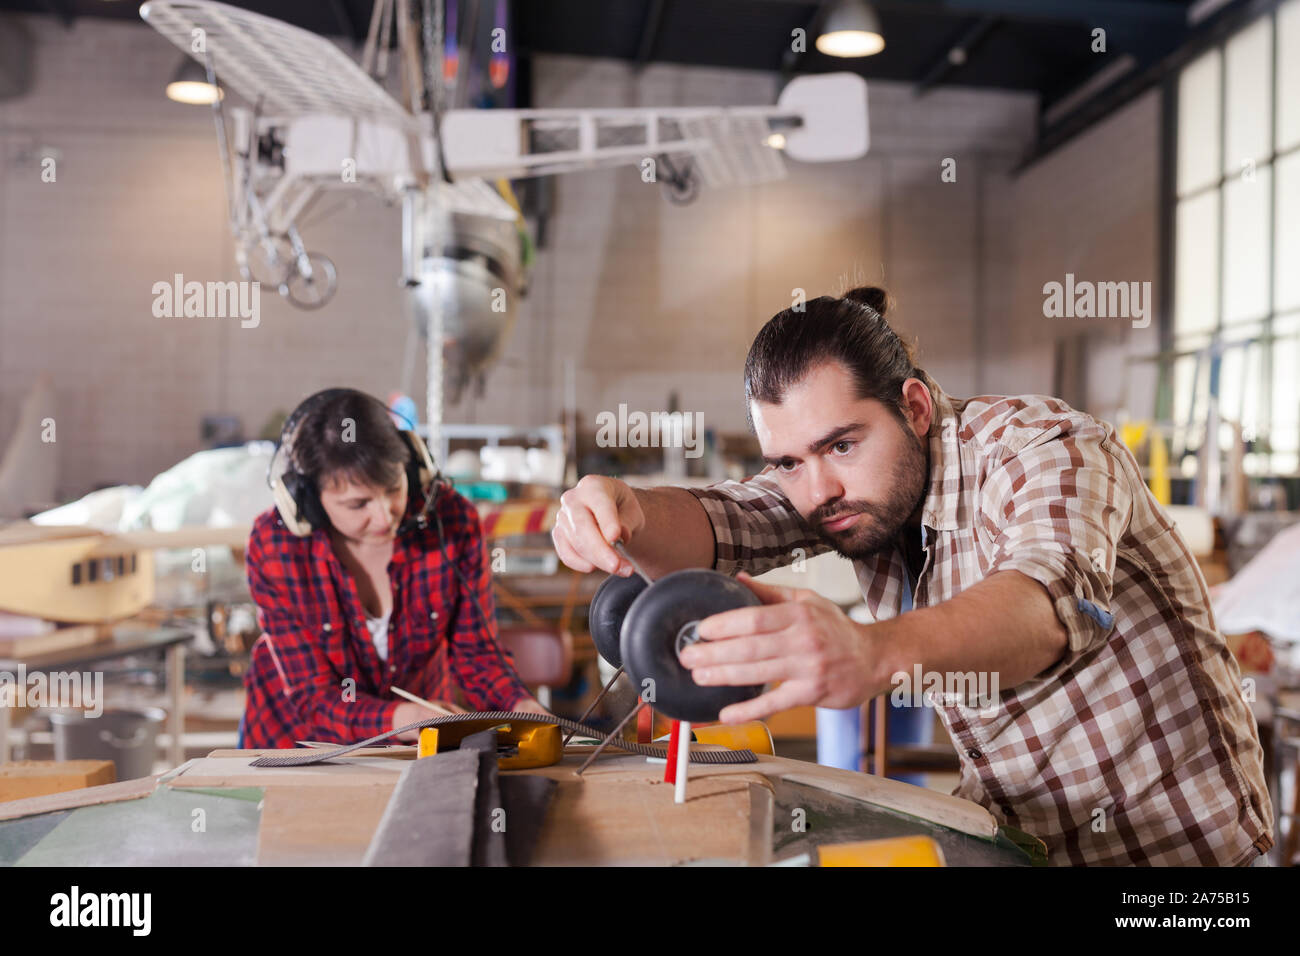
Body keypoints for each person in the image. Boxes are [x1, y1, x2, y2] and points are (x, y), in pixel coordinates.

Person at [552, 286, 1274, 867]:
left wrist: (871, 652)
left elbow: (1052, 606)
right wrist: (626, 511)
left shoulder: (1046, 448)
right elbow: (726, 519)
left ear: (916, 408)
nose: (818, 489)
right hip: (1020, 837)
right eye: (789, 462)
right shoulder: (840, 491)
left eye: (841, 445)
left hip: (1179, 858)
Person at [239, 388, 546, 749]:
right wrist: (405, 719)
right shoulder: (274, 545)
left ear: (412, 469)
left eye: (393, 488)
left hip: (415, 743)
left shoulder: (451, 521)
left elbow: (478, 655)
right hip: (294, 747)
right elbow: (314, 698)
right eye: (358, 504)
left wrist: (521, 706)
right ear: (307, 500)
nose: (385, 516)